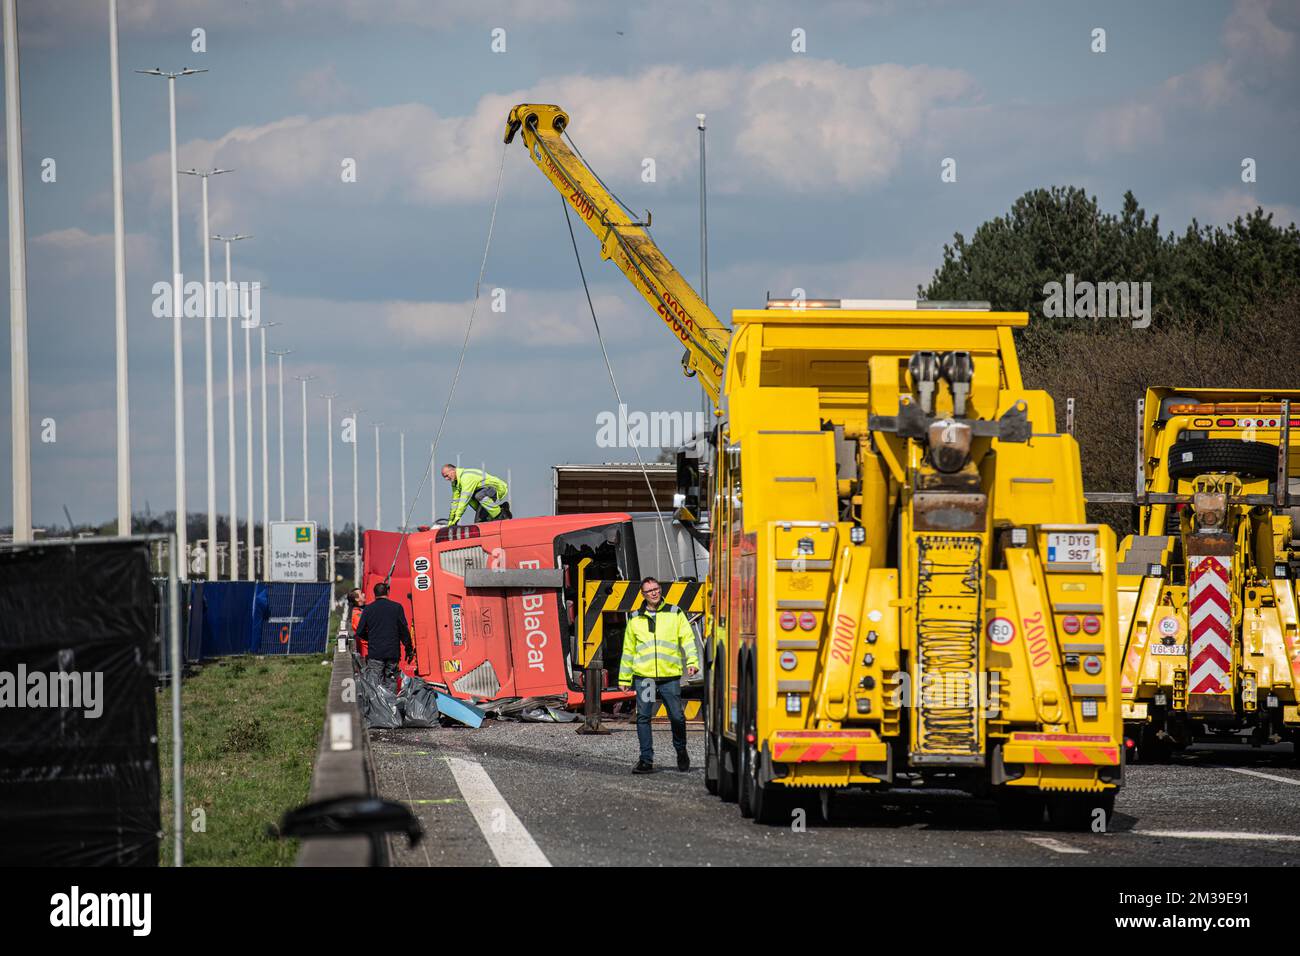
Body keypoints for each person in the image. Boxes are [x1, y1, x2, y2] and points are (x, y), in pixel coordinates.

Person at [618, 576, 699, 774]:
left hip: (669, 677)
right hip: (644, 678)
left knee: (677, 717)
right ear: (643, 595)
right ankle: (646, 760)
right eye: (649, 591)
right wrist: (624, 678)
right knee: (643, 717)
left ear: (660, 590)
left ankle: (681, 751)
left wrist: (692, 661)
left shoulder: (675, 612)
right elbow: (628, 650)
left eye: (656, 589)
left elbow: (687, 639)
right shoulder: (635, 617)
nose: (654, 593)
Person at [353, 581, 413, 693]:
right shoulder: (397, 607)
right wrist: (409, 649)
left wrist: (371, 638)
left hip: (375, 653)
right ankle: (391, 706)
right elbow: (404, 631)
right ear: (388, 592)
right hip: (392, 653)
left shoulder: (368, 609)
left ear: (375, 594)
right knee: (391, 682)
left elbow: (359, 632)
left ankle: (378, 708)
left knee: (375, 683)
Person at [442, 464, 512, 525]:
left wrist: (457, 517)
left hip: (496, 488)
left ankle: (501, 515)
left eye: (447, 475)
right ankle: (490, 514)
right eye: (444, 477)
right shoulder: (455, 483)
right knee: (479, 520)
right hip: (483, 491)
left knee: (478, 496)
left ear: (453, 470)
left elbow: (464, 500)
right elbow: (455, 501)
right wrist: (451, 519)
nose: (446, 479)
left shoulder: (466, 477)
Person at [346, 588, 367, 657]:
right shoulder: (357, 614)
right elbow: (363, 632)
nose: (364, 594)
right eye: (361, 593)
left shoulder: (363, 610)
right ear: (357, 599)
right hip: (368, 649)